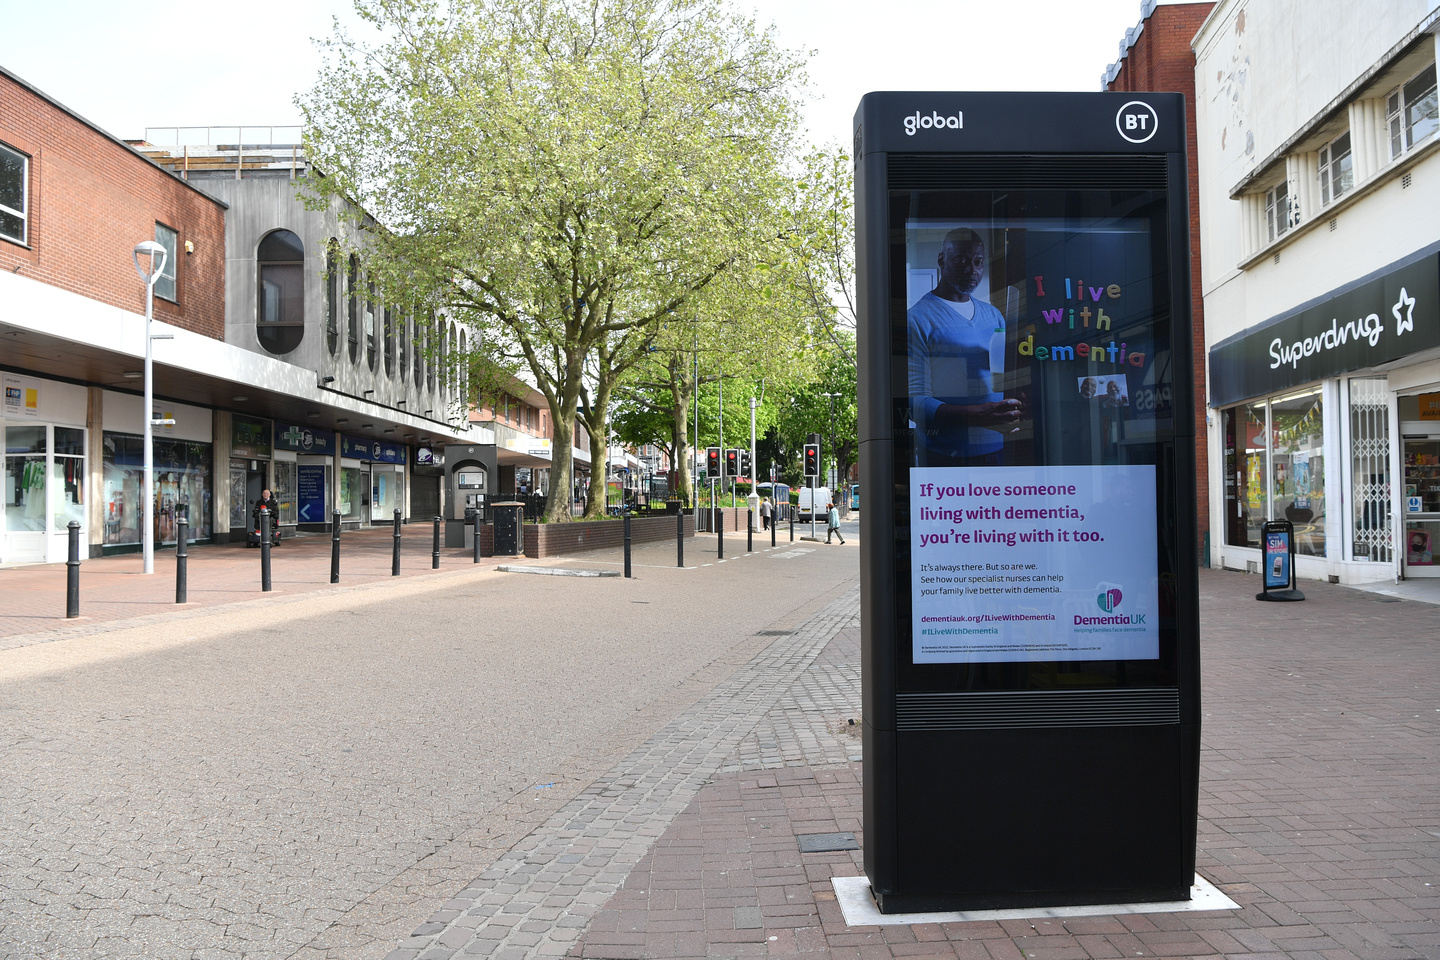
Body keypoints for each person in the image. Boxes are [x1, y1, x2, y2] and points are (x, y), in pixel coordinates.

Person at [907, 227, 1022, 466]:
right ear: (942, 259)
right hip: (945, 456)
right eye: (961, 260)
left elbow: (1001, 379)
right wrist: (980, 415)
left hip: (996, 450)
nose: (971, 270)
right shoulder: (917, 319)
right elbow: (915, 402)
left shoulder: (994, 316)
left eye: (978, 262)